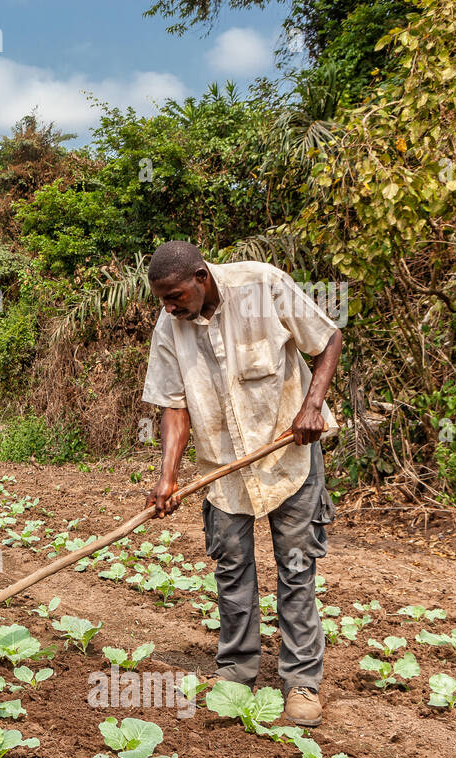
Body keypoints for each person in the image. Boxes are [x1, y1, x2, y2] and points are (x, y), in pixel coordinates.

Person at [141, 240, 341, 727]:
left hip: (287, 456)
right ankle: (236, 671)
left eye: (175, 295)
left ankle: (302, 683)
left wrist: (312, 405)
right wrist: (167, 478)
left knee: (296, 571)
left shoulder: (262, 285)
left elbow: (327, 339)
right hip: (221, 469)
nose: (169, 307)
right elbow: (174, 405)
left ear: (201, 278)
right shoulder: (170, 327)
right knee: (232, 571)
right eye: (162, 299)